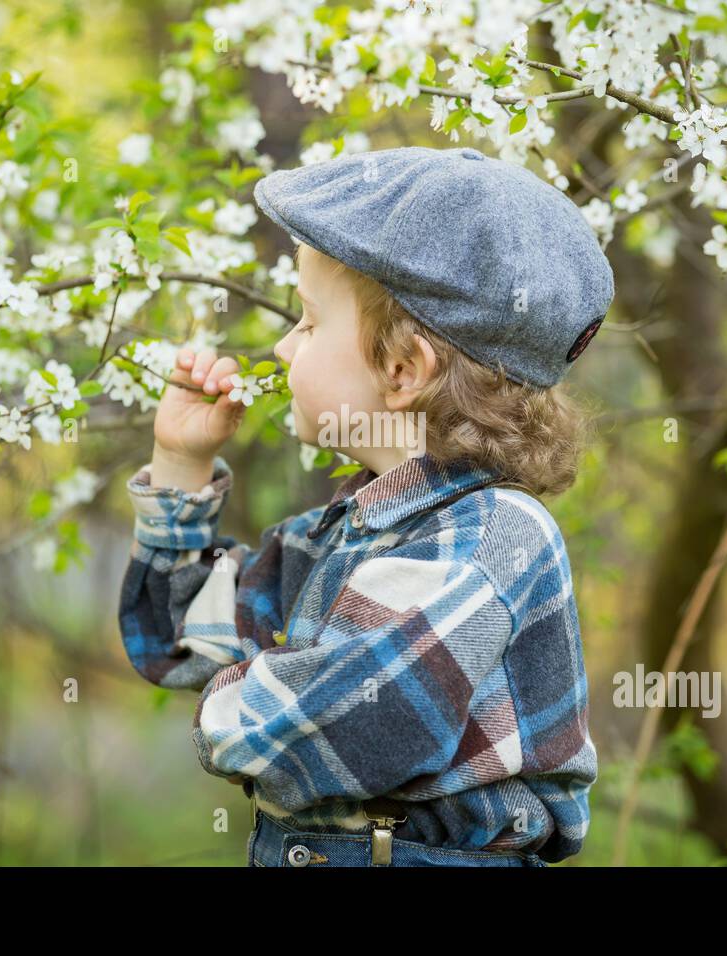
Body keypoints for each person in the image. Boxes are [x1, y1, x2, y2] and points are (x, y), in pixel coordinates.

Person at [117, 145, 615, 867]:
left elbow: (341, 726)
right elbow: (173, 640)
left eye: (309, 323)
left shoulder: (493, 541)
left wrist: (231, 709)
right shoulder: (339, 535)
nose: (284, 347)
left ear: (402, 369)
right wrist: (181, 462)